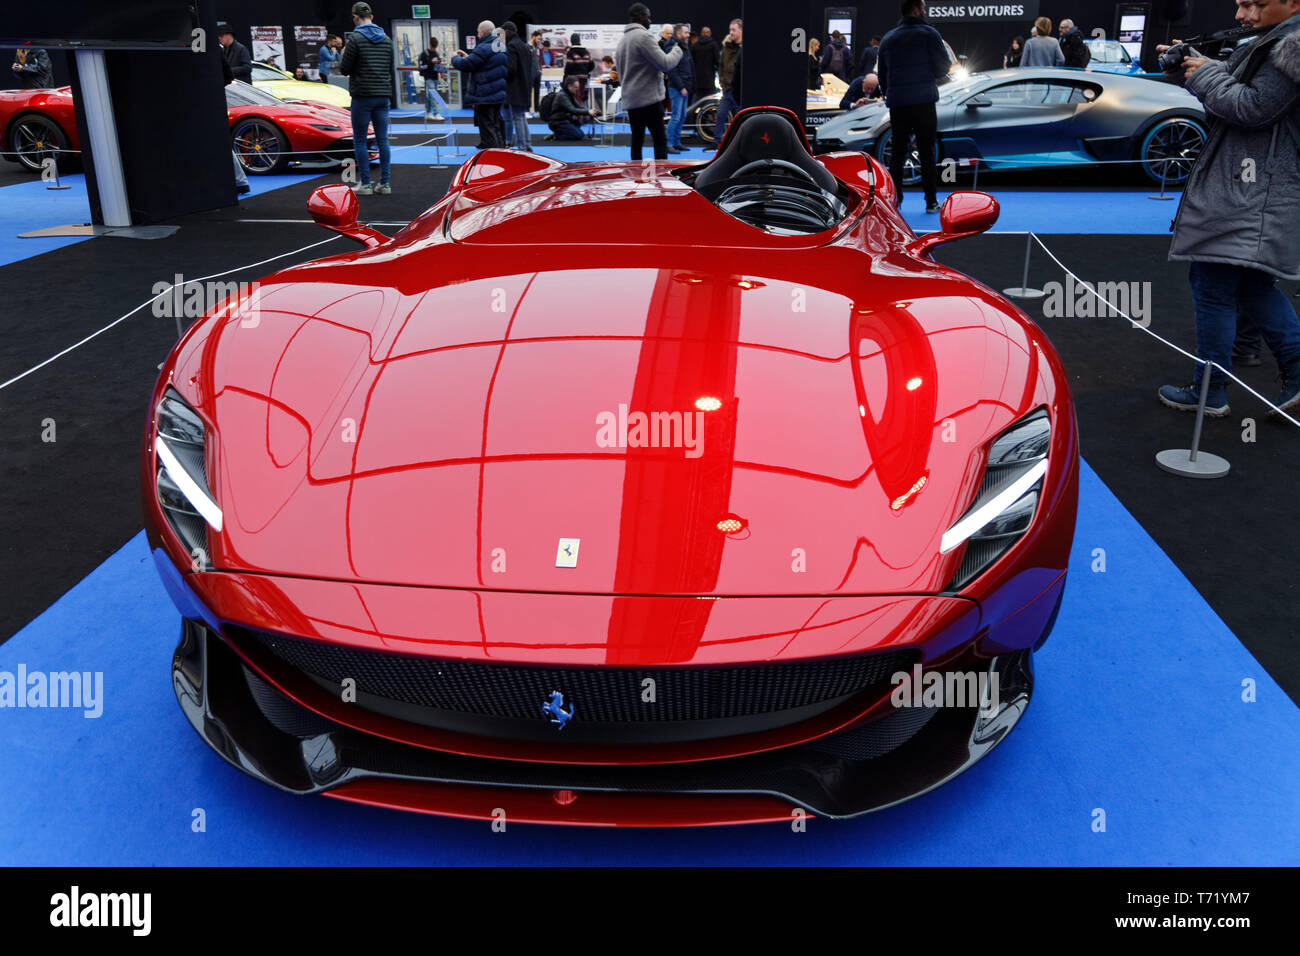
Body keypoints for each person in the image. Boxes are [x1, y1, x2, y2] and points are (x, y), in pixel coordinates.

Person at [1159, 0, 1300, 417]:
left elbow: (1251, 109)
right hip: (1255, 187)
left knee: (1212, 286)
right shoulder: (1275, 40)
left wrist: (1204, 73)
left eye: (1255, 3)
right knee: (1251, 287)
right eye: (1241, 4)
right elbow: (1227, 105)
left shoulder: (1290, 46)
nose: (1242, 15)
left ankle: (1210, 391)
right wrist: (1191, 70)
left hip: (1252, 190)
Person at [877, 0, 950, 213]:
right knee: (927, 151)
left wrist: (889, 95)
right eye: (923, 7)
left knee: (898, 153)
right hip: (924, 101)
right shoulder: (930, 34)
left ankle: (895, 202)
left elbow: (882, 75)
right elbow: (943, 67)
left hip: (898, 103)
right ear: (917, 9)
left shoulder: (888, 39)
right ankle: (931, 202)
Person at [337, 3, 393, 195]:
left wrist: (342, 54)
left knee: (360, 140)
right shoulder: (387, 39)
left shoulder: (355, 38)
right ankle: (385, 184)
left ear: (355, 17)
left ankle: (366, 185)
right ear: (372, 16)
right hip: (383, 95)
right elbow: (389, 66)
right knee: (383, 139)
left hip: (362, 96)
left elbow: (344, 69)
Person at [615, 3, 683, 161]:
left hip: (632, 102)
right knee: (660, 140)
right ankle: (661, 178)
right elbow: (665, 64)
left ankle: (635, 178)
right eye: (647, 16)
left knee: (636, 141)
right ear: (640, 17)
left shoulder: (622, 41)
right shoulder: (644, 37)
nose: (650, 20)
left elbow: (620, 73)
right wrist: (678, 50)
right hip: (649, 100)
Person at [452, 20, 508, 150]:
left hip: (485, 94)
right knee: (496, 124)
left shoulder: (484, 47)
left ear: (483, 32)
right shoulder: (500, 46)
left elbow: (466, 65)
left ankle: (494, 155)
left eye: (478, 32)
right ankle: (501, 152)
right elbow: (482, 64)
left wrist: (454, 58)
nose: (477, 35)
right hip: (497, 93)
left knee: (488, 126)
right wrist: (468, 57)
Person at [502, 22, 534, 150]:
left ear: (509, 31)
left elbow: (511, 69)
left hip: (515, 87)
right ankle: (527, 144)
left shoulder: (511, 46)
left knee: (517, 118)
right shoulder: (525, 46)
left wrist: (503, 74)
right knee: (521, 117)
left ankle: (522, 147)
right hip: (524, 85)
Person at [665, 23, 694, 152]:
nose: (688, 35)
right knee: (676, 116)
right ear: (678, 34)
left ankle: (676, 142)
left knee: (681, 116)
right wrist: (681, 86)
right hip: (677, 88)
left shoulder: (684, 47)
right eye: (686, 32)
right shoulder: (672, 47)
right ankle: (668, 144)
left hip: (684, 87)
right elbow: (672, 70)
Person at [714, 19, 742, 143]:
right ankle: (717, 142)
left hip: (739, 91)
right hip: (727, 89)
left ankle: (738, 142)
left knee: (740, 119)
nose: (731, 32)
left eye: (733, 30)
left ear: (741, 30)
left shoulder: (744, 49)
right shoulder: (726, 47)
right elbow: (721, 66)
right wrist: (721, 81)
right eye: (730, 30)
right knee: (720, 114)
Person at [547, 74, 597, 139]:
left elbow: (579, 106)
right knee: (579, 135)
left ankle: (560, 133)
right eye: (575, 87)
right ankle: (556, 136)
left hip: (565, 120)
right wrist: (588, 111)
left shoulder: (569, 94)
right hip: (557, 122)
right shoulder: (562, 96)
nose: (577, 90)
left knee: (580, 127)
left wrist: (593, 111)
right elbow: (573, 109)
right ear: (569, 86)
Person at [417, 36, 446, 120]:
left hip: (435, 76)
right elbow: (421, 67)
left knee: (430, 95)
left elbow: (438, 65)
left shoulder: (436, 53)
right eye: (433, 47)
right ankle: (436, 113)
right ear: (430, 44)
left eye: (435, 47)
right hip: (428, 77)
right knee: (433, 94)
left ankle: (428, 112)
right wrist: (431, 62)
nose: (434, 49)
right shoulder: (424, 54)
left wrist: (441, 70)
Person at [564, 31, 595, 101]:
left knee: (575, 99)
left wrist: (566, 75)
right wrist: (585, 71)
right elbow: (592, 65)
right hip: (584, 79)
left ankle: (578, 111)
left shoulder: (571, 52)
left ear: (571, 41)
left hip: (574, 79)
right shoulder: (586, 52)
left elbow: (569, 67)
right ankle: (583, 110)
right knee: (581, 97)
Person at [691, 25, 720, 98]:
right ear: (710, 34)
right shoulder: (714, 45)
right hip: (709, 80)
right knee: (709, 102)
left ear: (701, 33)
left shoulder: (695, 45)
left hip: (697, 80)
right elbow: (718, 62)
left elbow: (691, 62)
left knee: (698, 102)